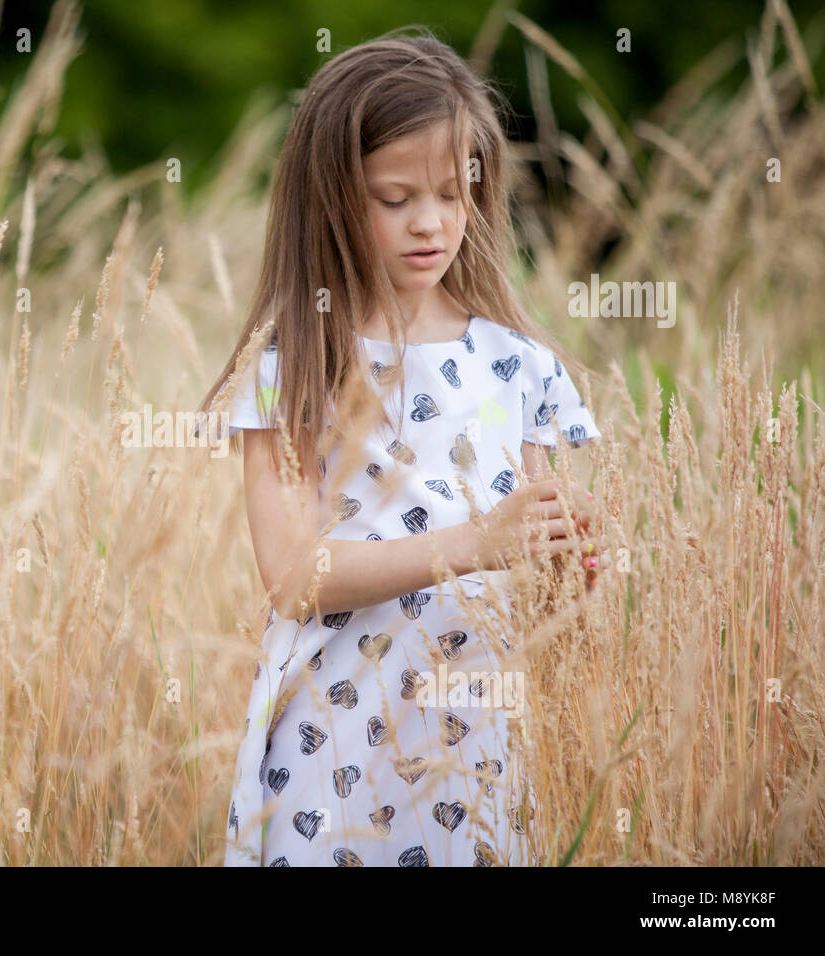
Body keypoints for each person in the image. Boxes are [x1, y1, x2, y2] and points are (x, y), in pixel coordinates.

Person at [200, 29, 607, 866]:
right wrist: (474, 544)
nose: (431, 224)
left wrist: (565, 558)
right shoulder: (295, 367)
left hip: (475, 737)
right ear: (331, 201)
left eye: (454, 196)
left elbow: (532, 562)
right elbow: (291, 577)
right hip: (335, 742)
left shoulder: (515, 365)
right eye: (394, 199)